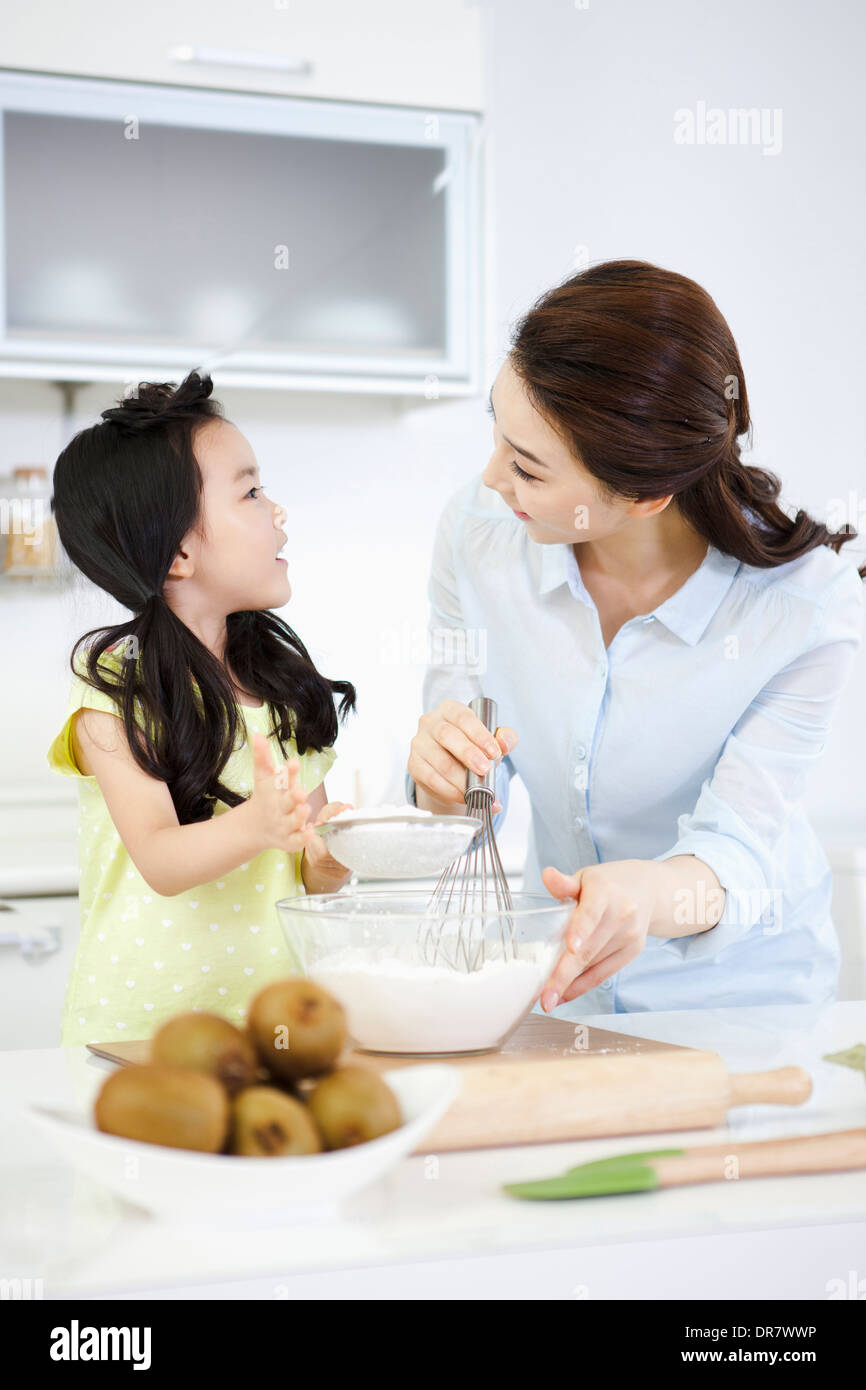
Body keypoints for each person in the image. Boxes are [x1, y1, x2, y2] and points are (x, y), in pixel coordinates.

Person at [407, 260, 865, 1015]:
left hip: (743, 1002)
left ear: (646, 494)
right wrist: (441, 778)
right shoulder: (479, 534)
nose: (492, 478)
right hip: (556, 987)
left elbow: (739, 852)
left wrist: (644, 897)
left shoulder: (803, 610)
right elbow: (465, 773)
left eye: (526, 467)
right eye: (495, 430)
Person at [46, 372, 356, 1045]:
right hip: (141, 1034)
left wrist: (328, 862)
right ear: (180, 550)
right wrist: (259, 825)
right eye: (249, 491)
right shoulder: (115, 689)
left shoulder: (279, 684)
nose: (277, 511)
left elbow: (309, 861)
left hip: (275, 1026)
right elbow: (160, 858)